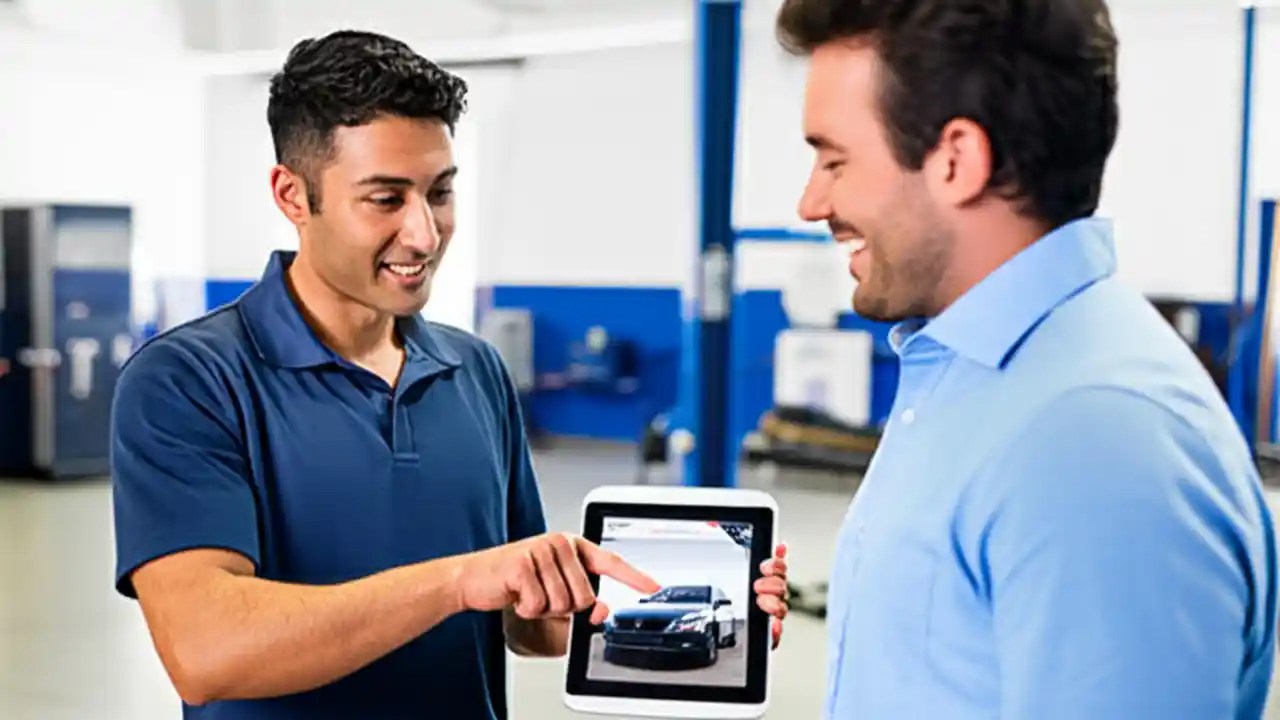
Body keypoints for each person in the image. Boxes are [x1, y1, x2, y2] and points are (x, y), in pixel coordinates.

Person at [110, 30, 790, 719]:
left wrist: (692, 602)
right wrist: (461, 580)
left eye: (439, 193)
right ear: (293, 195)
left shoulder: (475, 370)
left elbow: (530, 624)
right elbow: (206, 652)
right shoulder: (187, 380)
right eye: (385, 199)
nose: (425, 234)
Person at [775, 0, 1278, 718]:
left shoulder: (1093, 442)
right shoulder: (970, 376)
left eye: (834, 160)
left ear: (957, 160)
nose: (810, 201)